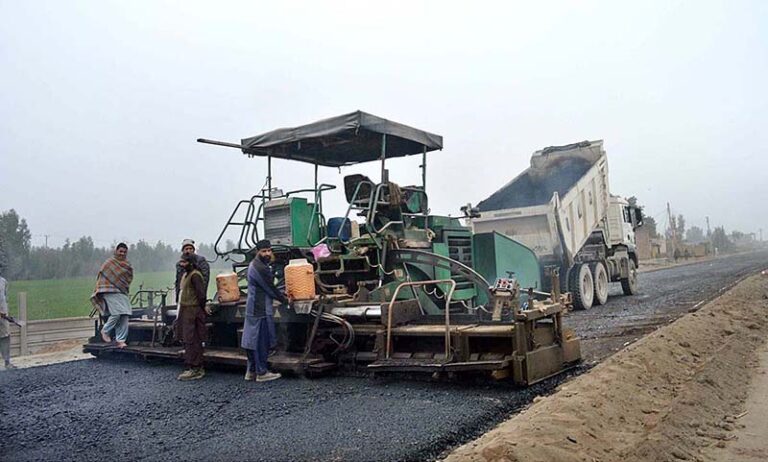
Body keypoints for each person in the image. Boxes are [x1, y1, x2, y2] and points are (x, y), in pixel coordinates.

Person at [241, 240, 289, 382]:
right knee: (260, 340)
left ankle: (251, 371)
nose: (267, 253)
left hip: (253, 306)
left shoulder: (254, 264)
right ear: (257, 252)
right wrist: (285, 300)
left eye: (269, 250)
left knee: (250, 340)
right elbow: (270, 288)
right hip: (259, 308)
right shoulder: (261, 268)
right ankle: (262, 372)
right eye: (264, 251)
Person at [90, 243, 133, 348]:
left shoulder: (127, 265)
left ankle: (120, 340)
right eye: (120, 251)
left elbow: (127, 278)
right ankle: (105, 330)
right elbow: (101, 278)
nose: (122, 254)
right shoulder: (109, 263)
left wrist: (122, 287)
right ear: (116, 251)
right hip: (108, 289)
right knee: (117, 313)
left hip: (121, 291)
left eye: (124, 252)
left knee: (125, 314)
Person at [176, 253, 208, 381]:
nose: (182, 264)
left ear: (191, 263)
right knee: (188, 340)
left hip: (193, 311)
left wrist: (201, 309)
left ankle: (196, 368)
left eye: (184, 262)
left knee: (193, 340)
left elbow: (201, 295)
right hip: (187, 310)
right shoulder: (187, 275)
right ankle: (192, 366)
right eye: (181, 262)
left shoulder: (195, 275)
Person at [0, 272, 14, 369]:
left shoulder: (3, 281)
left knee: (5, 336)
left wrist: (5, 313)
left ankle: (7, 362)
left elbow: (5, 299)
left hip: (3, 316)